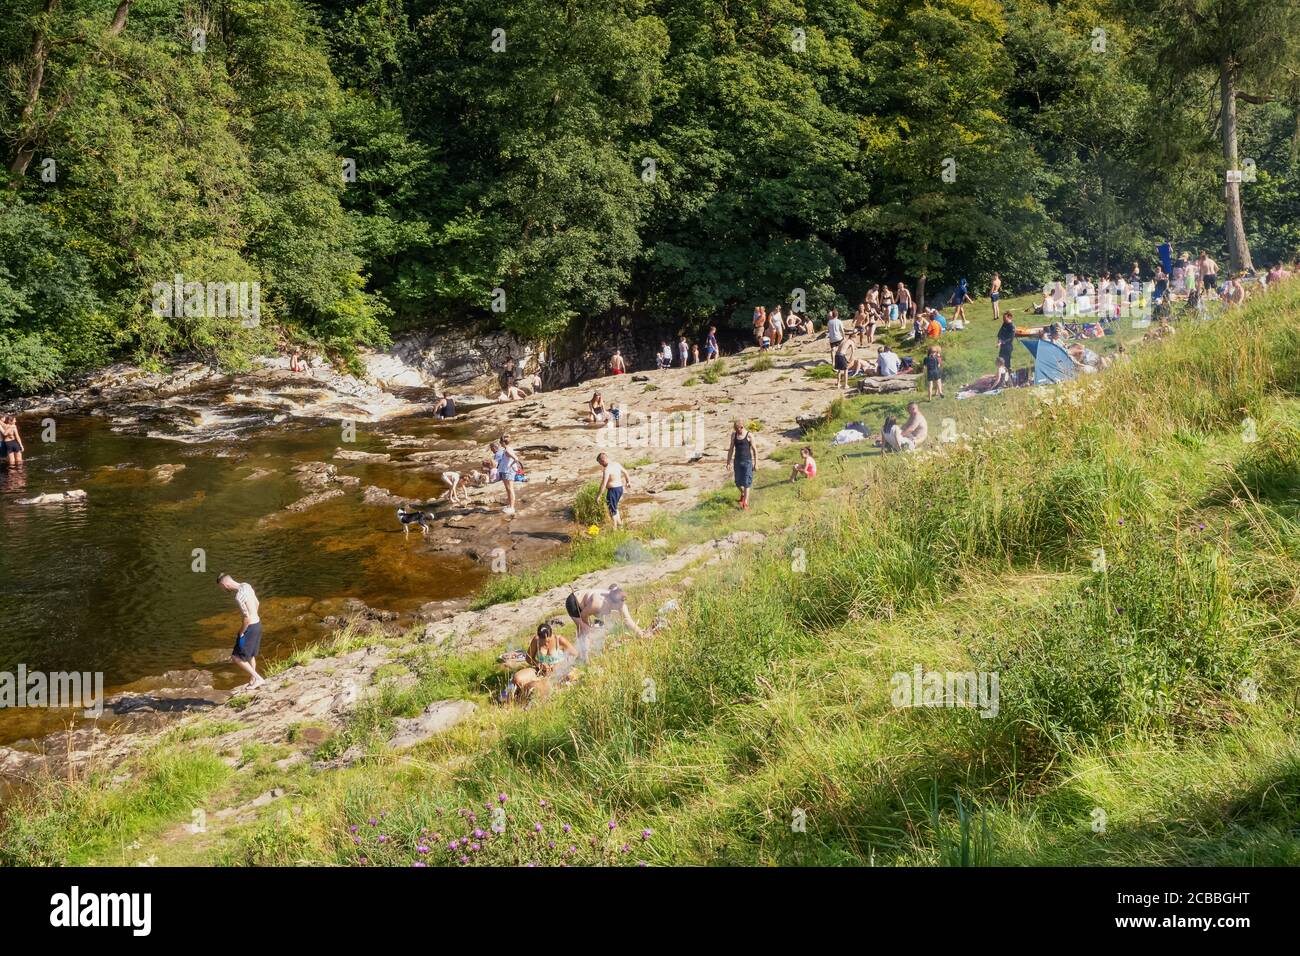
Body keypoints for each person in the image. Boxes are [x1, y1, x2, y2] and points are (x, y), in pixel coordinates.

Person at [566, 584, 646, 661]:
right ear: (612, 603)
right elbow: (583, 615)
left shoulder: (621, 602)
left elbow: (628, 620)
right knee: (585, 630)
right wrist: (588, 627)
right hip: (575, 601)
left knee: (590, 630)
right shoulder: (597, 604)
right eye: (619, 604)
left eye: (623, 602)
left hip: (587, 602)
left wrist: (641, 634)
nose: (621, 606)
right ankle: (584, 658)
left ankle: (581, 654)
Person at [509, 623, 579, 704]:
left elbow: (575, 654)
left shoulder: (559, 640)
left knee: (536, 686)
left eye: (548, 640)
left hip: (559, 672)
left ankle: (528, 695)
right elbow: (528, 658)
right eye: (543, 641)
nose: (546, 643)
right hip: (540, 671)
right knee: (517, 679)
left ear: (551, 634)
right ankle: (515, 695)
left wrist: (560, 664)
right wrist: (538, 664)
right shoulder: (536, 640)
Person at [220, 573, 265, 689]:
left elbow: (247, 618)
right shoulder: (247, 586)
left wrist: (241, 632)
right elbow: (257, 603)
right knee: (250, 655)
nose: (224, 589)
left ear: (226, 584)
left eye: (222, 587)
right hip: (258, 624)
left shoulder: (239, 596)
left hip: (250, 628)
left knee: (236, 657)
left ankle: (259, 678)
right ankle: (253, 678)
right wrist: (254, 616)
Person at [726, 418, 757, 510]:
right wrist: (728, 462)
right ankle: (743, 493)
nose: (736, 430)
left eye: (737, 428)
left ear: (742, 427)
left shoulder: (749, 435)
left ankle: (745, 503)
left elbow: (755, 450)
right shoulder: (733, 435)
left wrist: (756, 463)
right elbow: (731, 449)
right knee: (738, 482)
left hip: (747, 461)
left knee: (747, 482)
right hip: (737, 461)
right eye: (735, 428)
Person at [596, 452, 631, 529]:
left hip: (613, 491)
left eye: (600, 463)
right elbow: (625, 472)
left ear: (603, 460)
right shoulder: (617, 464)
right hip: (620, 489)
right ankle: (620, 526)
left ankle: (614, 529)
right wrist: (628, 482)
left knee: (612, 511)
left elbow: (604, 484)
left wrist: (598, 496)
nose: (601, 465)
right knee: (615, 508)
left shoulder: (607, 469)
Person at [494, 436, 524, 515]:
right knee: (508, 489)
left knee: (510, 489)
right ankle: (509, 505)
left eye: (500, 442)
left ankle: (512, 507)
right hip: (505, 471)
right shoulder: (508, 448)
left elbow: (516, 458)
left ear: (503, 442)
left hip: (508, 471)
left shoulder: (507, 450)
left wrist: (511, 465)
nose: (500, 443)